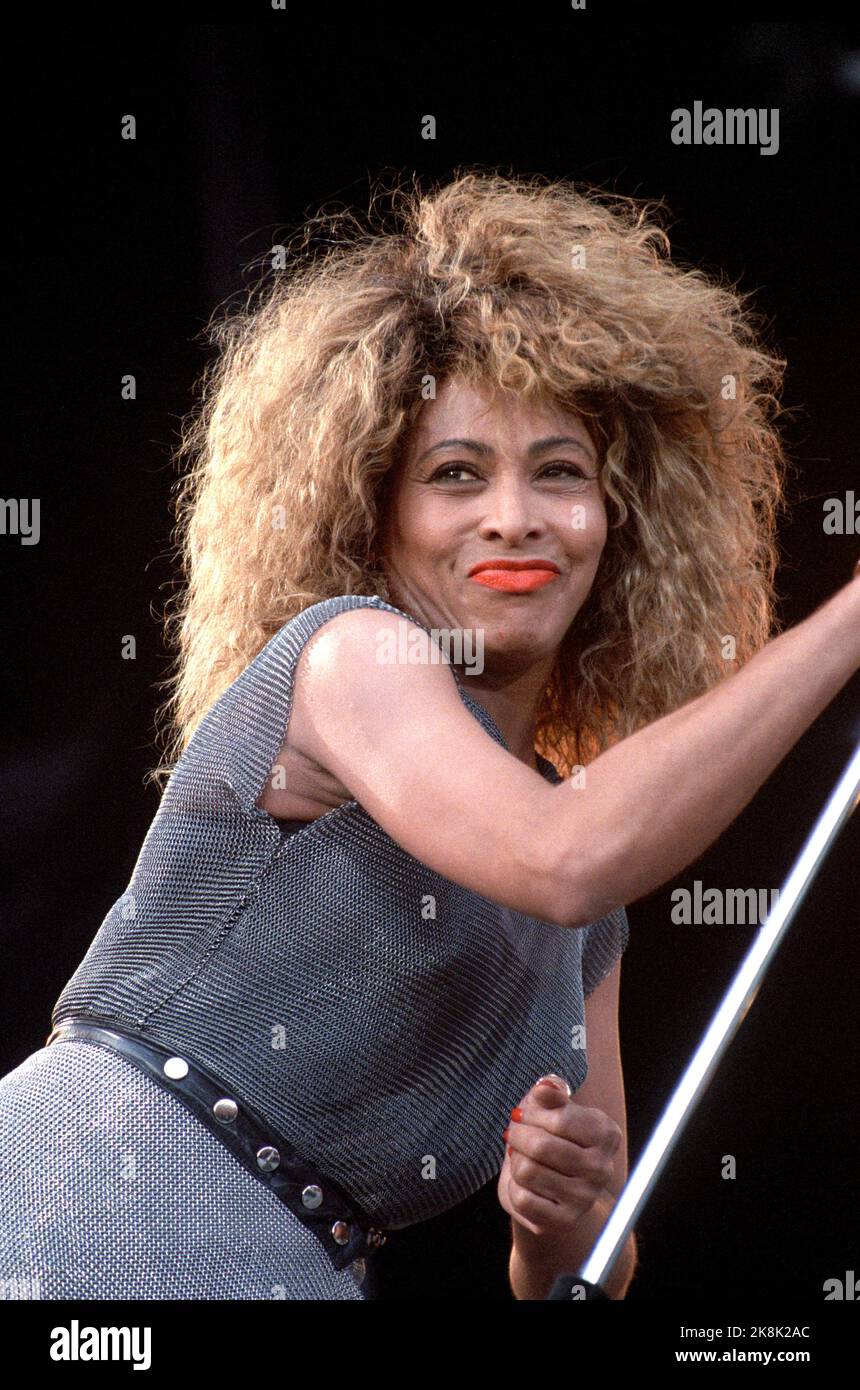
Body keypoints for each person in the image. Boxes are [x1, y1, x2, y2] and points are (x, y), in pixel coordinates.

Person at [1, 172, 858, 1302]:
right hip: (82, 1206)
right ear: (375, 510)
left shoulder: (588, 920)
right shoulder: (349, 656)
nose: (512, 515)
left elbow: (588, 1275)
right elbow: (566, 851)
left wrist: (553, 1221)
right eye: (454, 475)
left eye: (559, 472)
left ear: (621, 522)